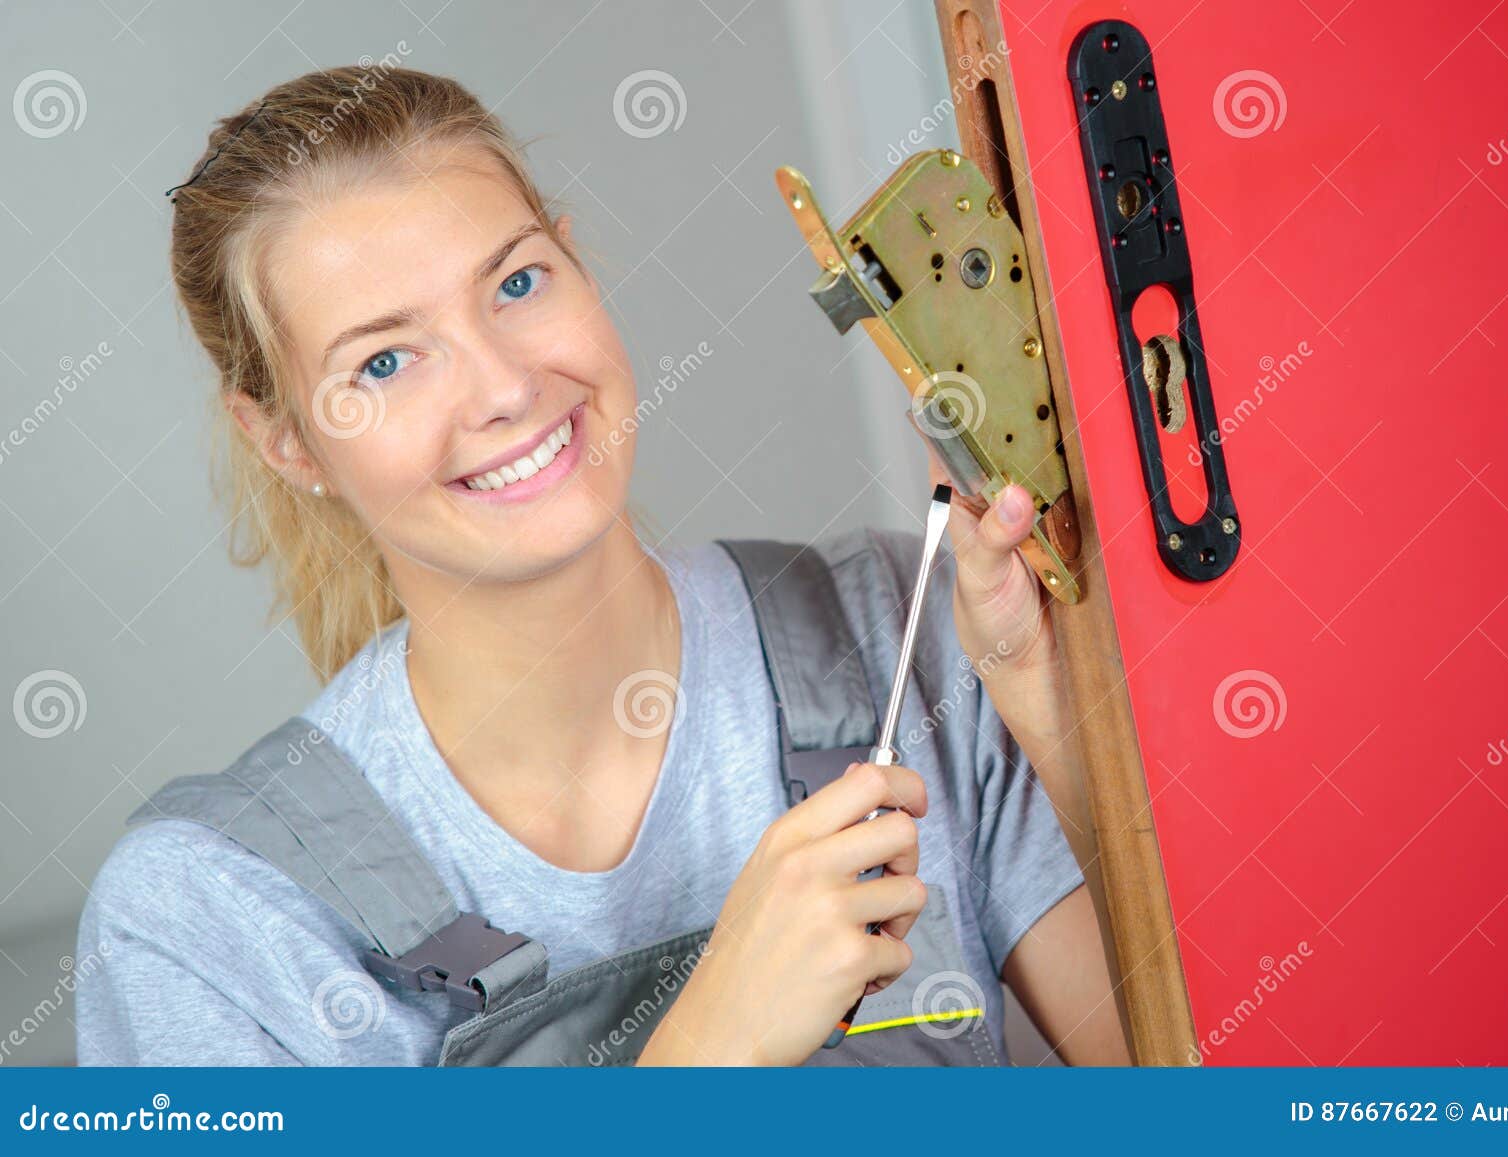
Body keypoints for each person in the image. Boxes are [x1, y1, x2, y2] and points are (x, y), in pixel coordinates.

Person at [74, 66, 1129, 1067]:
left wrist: (1053, 714)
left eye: (518, 282)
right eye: (384, 360)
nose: (503, 385)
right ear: (287, 441)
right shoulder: (204, 912)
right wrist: (707, 1047)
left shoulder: (902, 630)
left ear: (580, 266)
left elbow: (1215, 1083)